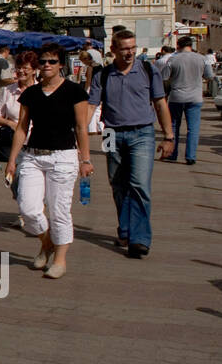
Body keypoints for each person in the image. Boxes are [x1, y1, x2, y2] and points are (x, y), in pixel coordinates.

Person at [4, 45, 93, 279]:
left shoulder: (74, 92)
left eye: (52, 61)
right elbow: (22, 128)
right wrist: (12, 160)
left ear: (61, 64)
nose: (47, 65)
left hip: (63, 156)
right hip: (33, 155)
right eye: (43, 61)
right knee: (29, 208)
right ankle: (47, 242)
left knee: (59, 210)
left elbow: (81, 127)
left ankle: (60, 259)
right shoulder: (31, 94)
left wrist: (86, 159)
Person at [87, 29, 174, 259]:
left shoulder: (148, 71)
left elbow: (160, 103)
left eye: (133, 48)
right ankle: (124, 229)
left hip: (143, 133)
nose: (130, 53)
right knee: (117, 184)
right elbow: (90, 107)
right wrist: (79, 137)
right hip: (111, 134)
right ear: (113, 50)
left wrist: (169, 136)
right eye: (125, 48)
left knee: (139, 185)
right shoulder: (102, 75)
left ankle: (139, 239)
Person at [0, 51, 38, 226]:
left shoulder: (40, 90)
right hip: (14, 143)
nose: (21, 72)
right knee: (15, 180)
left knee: (33, 181)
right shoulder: (9, 91)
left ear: (34, 70)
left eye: (26, 68)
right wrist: (10, 124)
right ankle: (25, 210)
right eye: (19, 68)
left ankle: (31, 213)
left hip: (37, 142)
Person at [163, 36, 214, 165]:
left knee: (174, 126)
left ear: (178, 46)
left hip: (176, 97)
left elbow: (164, 77)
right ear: (191, 45)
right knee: (193, 128)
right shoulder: (202, 59)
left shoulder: (172, 59)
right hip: (195, 97)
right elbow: (209, 76)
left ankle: (172, 154)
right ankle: (191, 156)